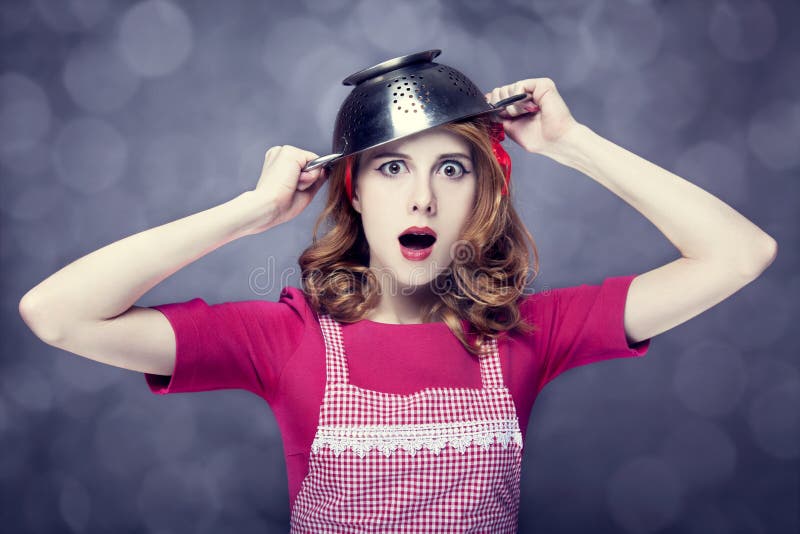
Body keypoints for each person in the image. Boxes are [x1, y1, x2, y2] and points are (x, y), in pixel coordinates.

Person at [18, 50, 777, 533]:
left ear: (484, 191)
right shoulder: (285, 339)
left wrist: (572, 143)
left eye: (451, 168)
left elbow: (740, 254)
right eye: (391, 168)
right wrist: (249, 213)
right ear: (353, 191)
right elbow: (55, 313)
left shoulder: (527, 332)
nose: (422, 198)